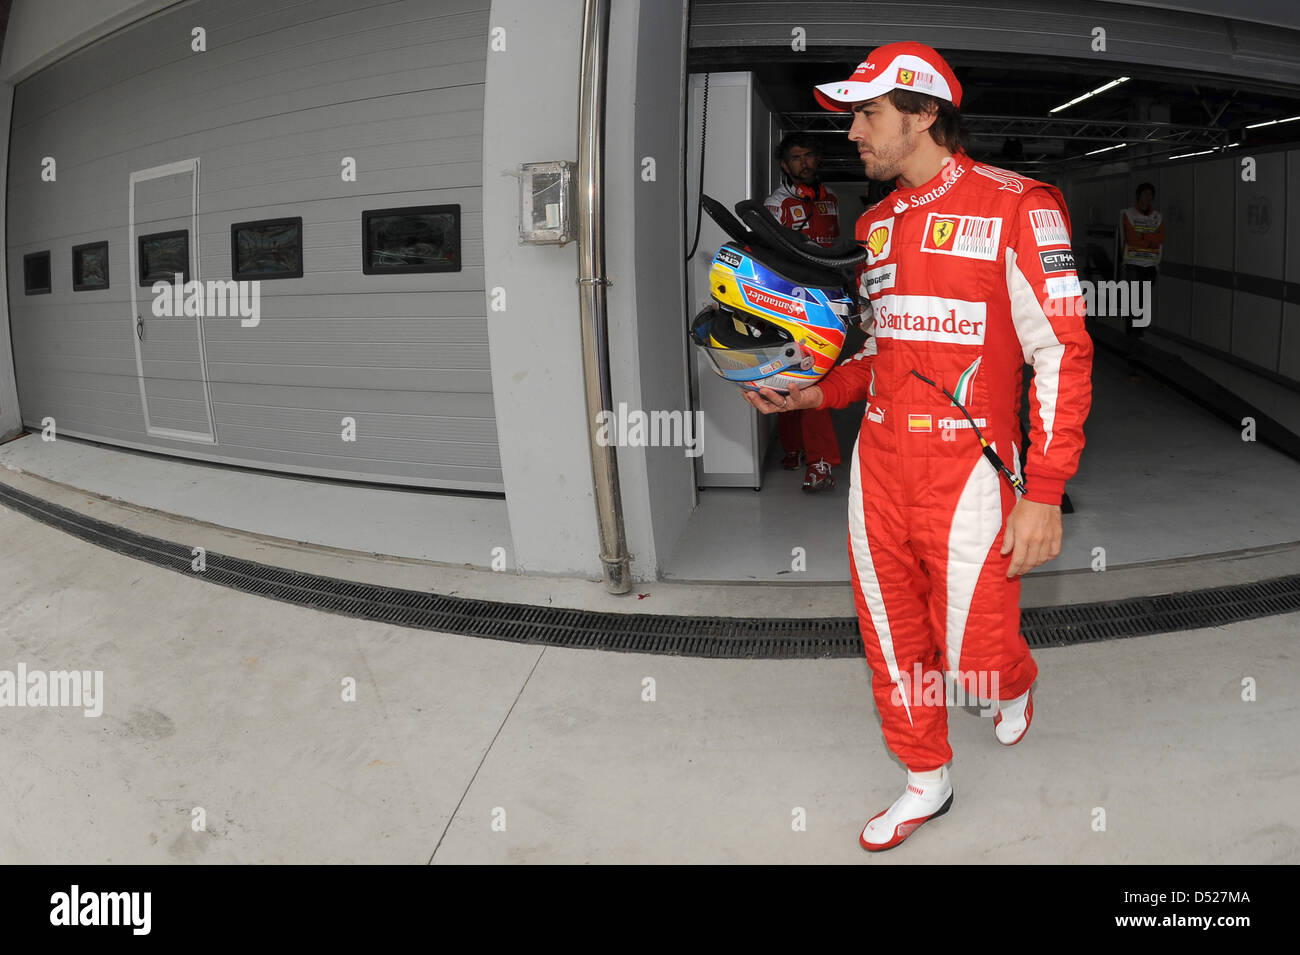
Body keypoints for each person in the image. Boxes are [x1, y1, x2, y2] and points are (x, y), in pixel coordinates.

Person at [743, 41, 1094, 851]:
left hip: (971, 473)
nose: (852, 133)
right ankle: (924, 779)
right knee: (890, 631)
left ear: (926, 112)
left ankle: (1015, 681)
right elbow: (874, 357)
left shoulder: (1020, 204)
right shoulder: (872, 225)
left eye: (867, 114)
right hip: (879, 468)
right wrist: (811, 391)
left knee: (977, 651)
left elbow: (1061, 353)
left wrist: (1045, 489)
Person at [763, 133, 843, 492]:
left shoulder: (831, 200)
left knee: (812, 379)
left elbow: (832, 245)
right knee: (793, 378)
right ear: (785, 165)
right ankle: (802, 452)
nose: (804, 163)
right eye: (796, 158)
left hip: (825, 299)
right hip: (791, 303)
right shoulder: (776, 204)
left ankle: (812, 458)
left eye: (809, 156)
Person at [1119, 183, 1164, 380]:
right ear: (1138, 196)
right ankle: (1132, 342)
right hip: (1133, 265)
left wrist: (1143, 236)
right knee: (1134, 306)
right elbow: (1131, 239)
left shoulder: (1158, 217)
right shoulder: (1128, 214)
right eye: (1144, 195)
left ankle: (1137, 337)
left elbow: (1160, 238)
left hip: (1150, 267)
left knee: (1142, 306)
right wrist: (1149, 238)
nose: (1147, 198)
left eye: (1150, 195)